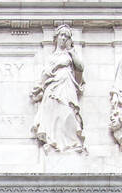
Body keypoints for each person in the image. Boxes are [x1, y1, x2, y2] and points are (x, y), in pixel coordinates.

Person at [30, 24, 85, 153]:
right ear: (56, 38)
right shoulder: (51, 57)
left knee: (67, 112)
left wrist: (71, 50)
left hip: (67, 86)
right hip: (53, 88)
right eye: (61, 35)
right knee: (53, 115)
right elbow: (45, 74)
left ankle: (71, 143)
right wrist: (58, 65)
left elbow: (80, 67)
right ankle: (54, 143)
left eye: (67, 36)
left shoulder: (71, 55)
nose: (64, 38)